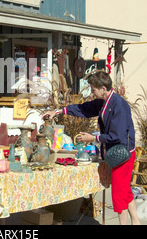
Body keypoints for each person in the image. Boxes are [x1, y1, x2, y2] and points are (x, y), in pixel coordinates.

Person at [43, 71, 140, 225]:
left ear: (103, 88)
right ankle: (136, 221)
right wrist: (59, 111)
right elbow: (84, 109)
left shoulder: (118, 105)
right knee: (124, 189)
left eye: (93, 90)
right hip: (116, 152)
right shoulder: (103, 101)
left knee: (118, 194)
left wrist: (93, 138)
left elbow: (118, 135)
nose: (92, 93)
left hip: (124, 154)